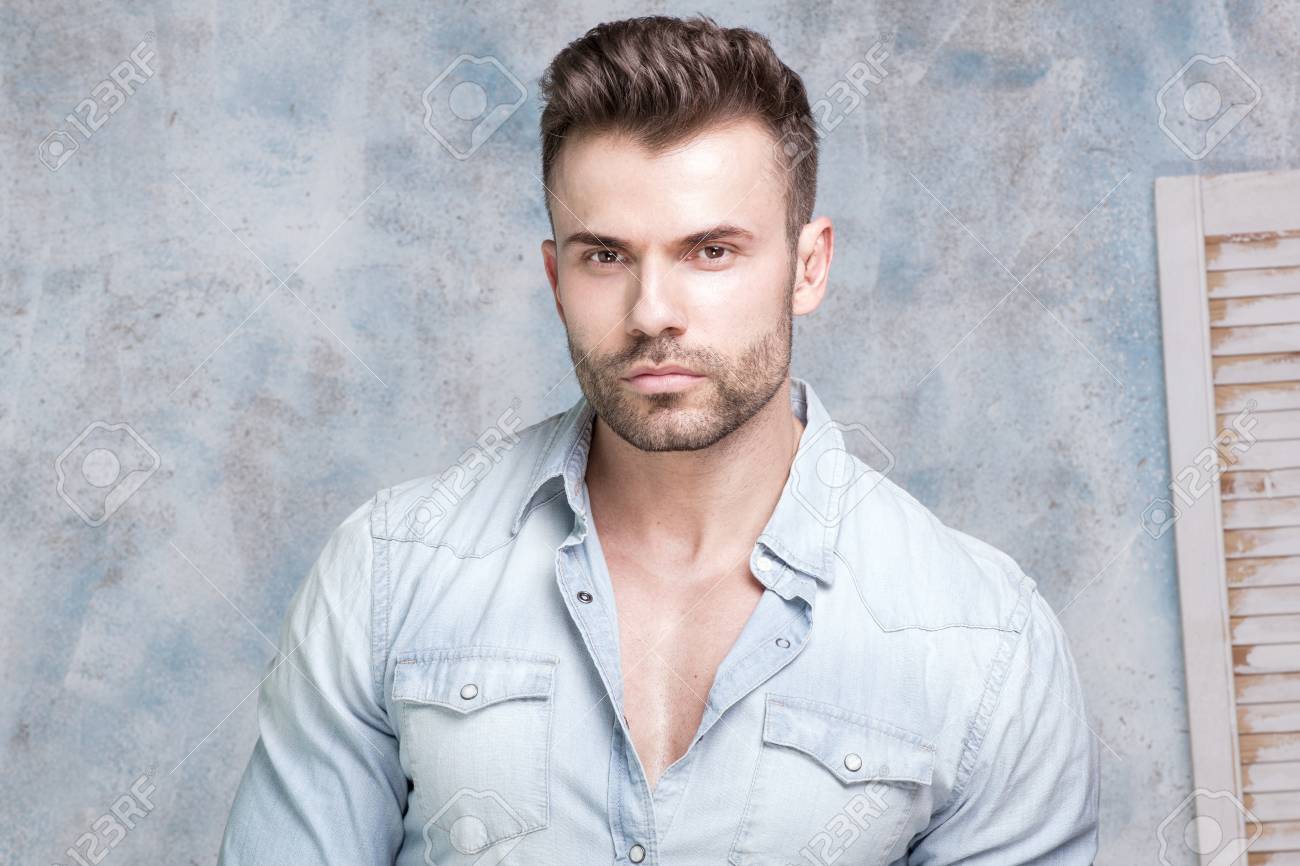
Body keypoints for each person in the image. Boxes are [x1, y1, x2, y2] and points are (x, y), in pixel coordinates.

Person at [218, 14, 1099, 865]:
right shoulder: (388, 575)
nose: (652, 314)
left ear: (809, 266)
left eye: (710, 251)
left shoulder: (985, 641)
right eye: (606, 256)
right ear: (556, 277)